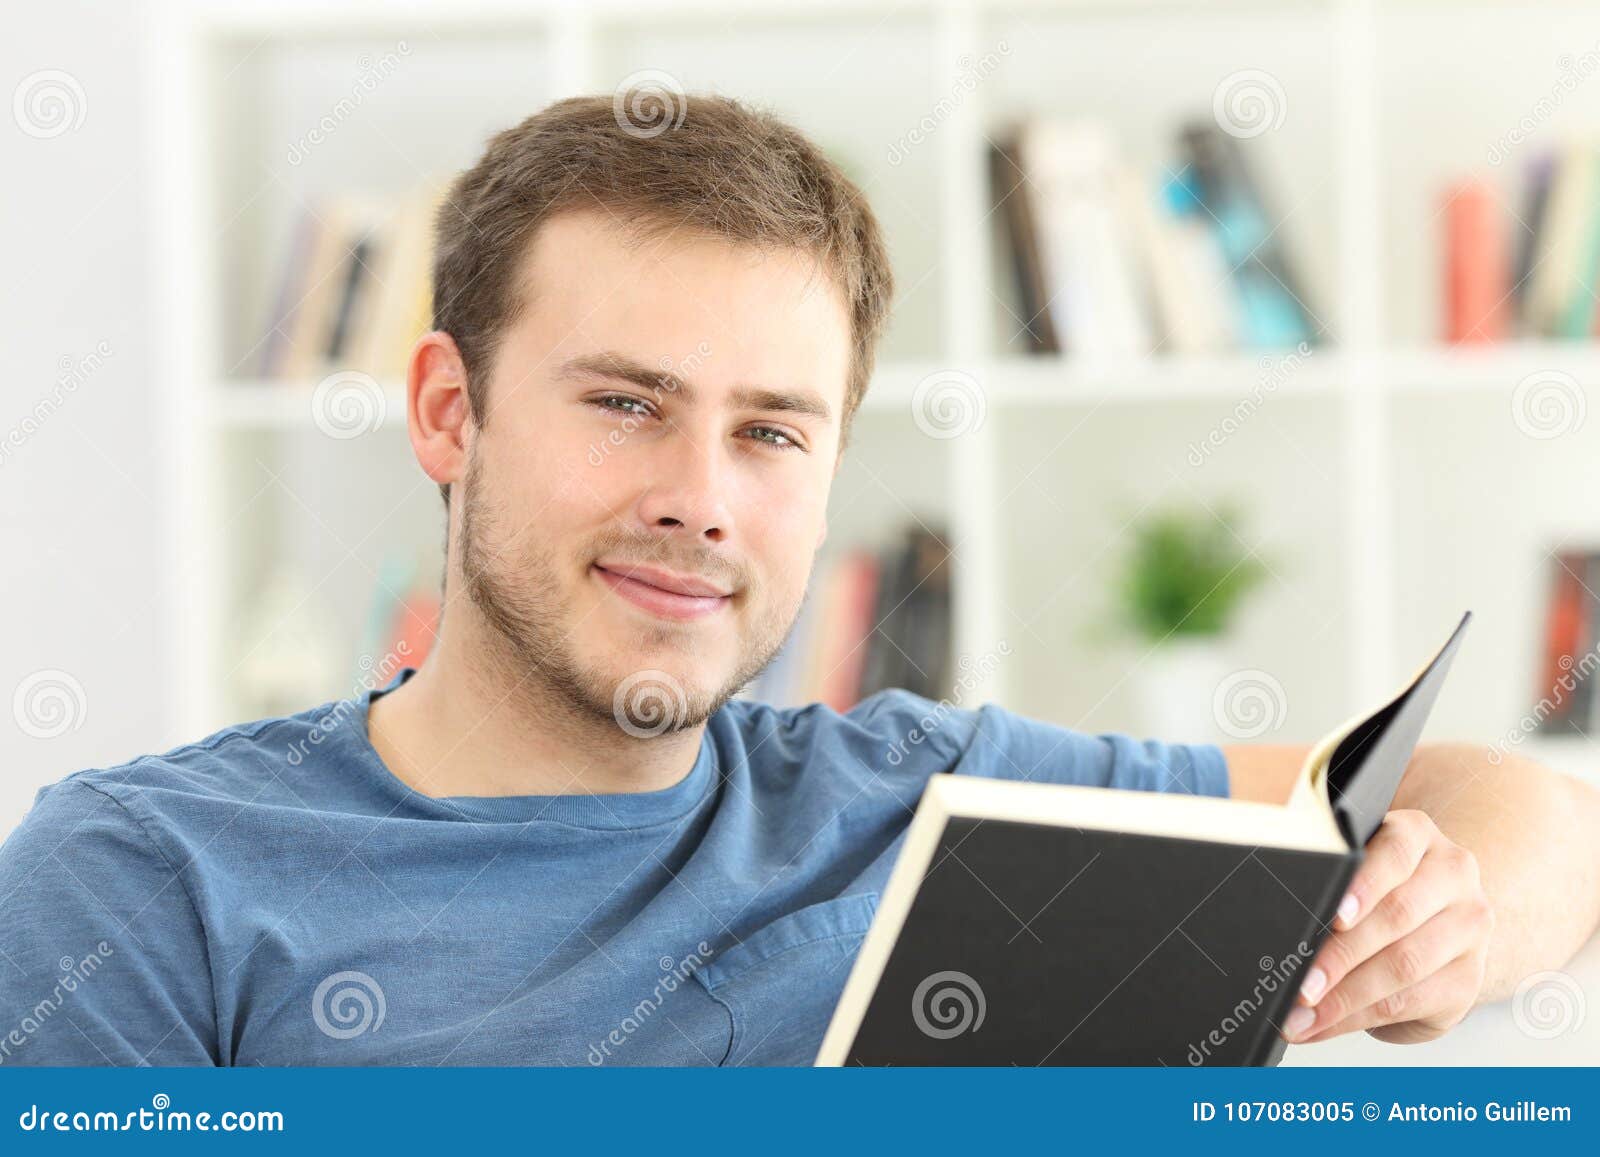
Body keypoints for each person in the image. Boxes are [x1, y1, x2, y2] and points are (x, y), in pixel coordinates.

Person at [2, 92, 1596, 1067]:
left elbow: (1538, 822)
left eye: (770, 430)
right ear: (448, 410)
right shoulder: (147, 881)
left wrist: (1455, 924)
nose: (701, 500)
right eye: (625, 403)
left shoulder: (930, 795)